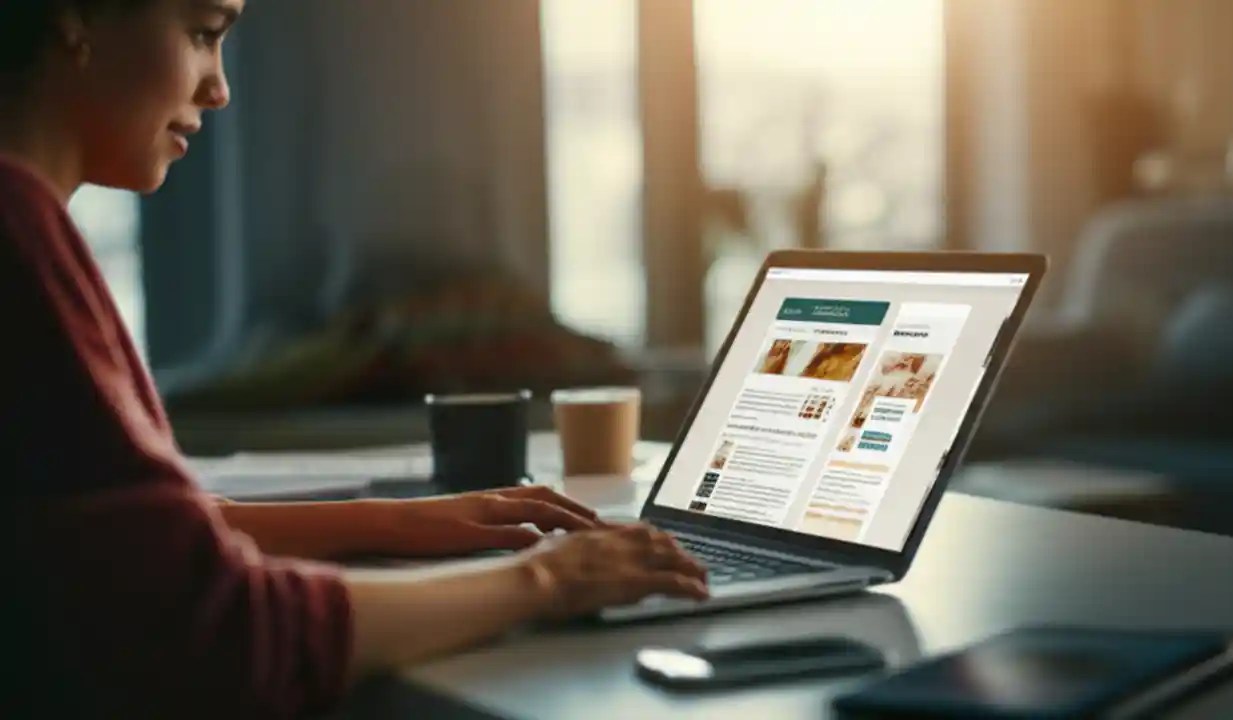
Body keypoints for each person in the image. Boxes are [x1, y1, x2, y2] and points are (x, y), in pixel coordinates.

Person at [0, 1, 708, 716]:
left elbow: (112, 548)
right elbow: (214, 631)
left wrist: (394, 522)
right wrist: (547, 583)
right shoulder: (17, 229)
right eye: (203, 34)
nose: (219, 88)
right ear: (74, 17)